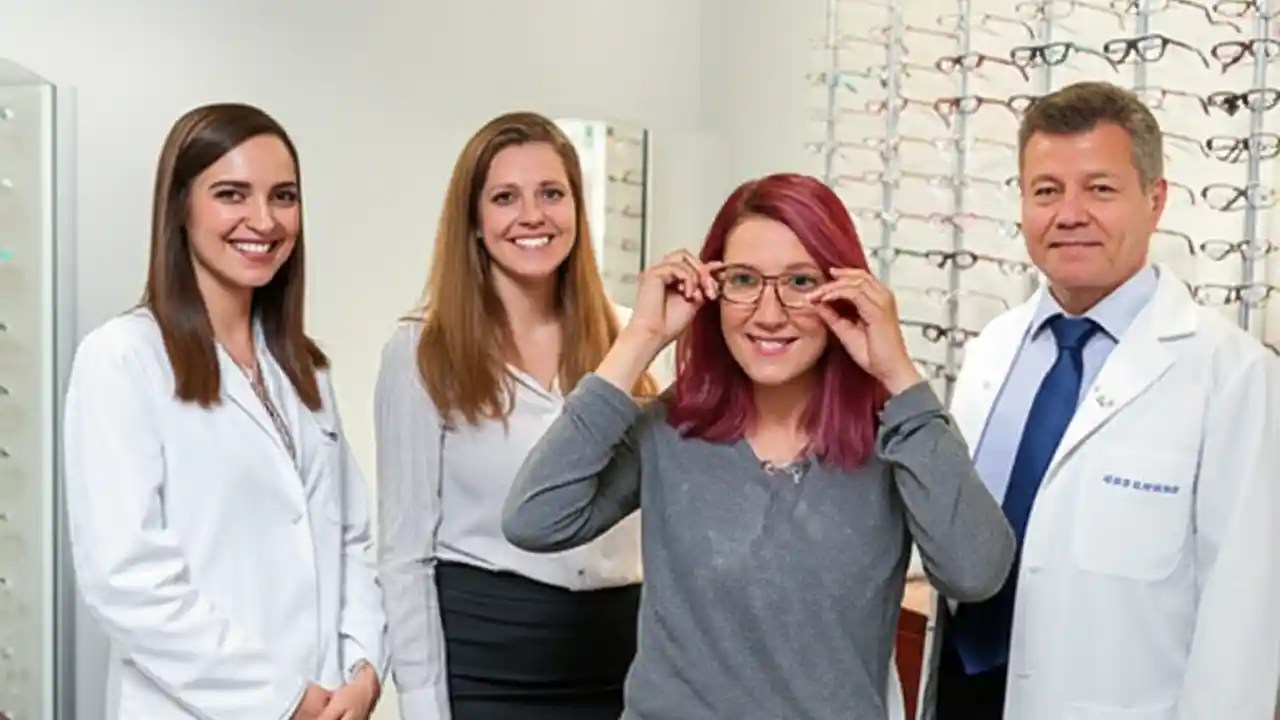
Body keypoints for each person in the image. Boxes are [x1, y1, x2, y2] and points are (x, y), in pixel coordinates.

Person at [500, 172, 1016, 719]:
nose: (769, 315)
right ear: (713, 292)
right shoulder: (672, 428)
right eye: (744, 280)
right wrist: (640, 338)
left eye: (799, 282)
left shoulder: (900, 436)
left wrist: (899, 374)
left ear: (844, 292)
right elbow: (534, 518)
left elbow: (976, 572)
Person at [925, 80, 1280, 719]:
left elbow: (1244, 618)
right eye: (1046, 191)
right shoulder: (990, 350)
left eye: (1101, 188)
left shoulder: (1231, 376)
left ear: (1155, 199)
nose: (1069, 213)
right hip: (964, 697)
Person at [62, 103, 387, 719]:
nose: (262, 221)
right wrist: (282, 699)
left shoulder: (303, 369)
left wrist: (362, 668)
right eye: (231, 194)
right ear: (181, 207)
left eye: (283, 197)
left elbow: (351, 538)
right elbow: (126, 578)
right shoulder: (123, 359)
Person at [375, 110, 660, 720]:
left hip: (623, 662)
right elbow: (405, 553)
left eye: (552, 194)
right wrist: (423, 708)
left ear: (579, 211)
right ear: (474, 223)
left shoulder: (634, 334)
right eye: (506, 197)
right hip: (487, 664)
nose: (533, 215)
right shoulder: (423, 350)